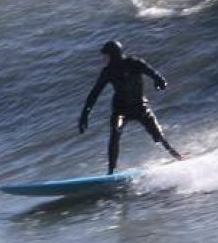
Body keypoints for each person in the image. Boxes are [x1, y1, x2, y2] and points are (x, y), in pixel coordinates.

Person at [78, 40, 185, 174]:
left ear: (113, 55)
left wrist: (160, 82)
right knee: (115, 133)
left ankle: (177, 156)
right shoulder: (107, 72)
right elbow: (94, 94)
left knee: (157, 135)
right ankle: (111, 172)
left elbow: (154, 74)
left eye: (105, 56)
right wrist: (84, 115)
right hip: (120, 110)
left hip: (140, 106)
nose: (103, 59)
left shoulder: (134, 63)